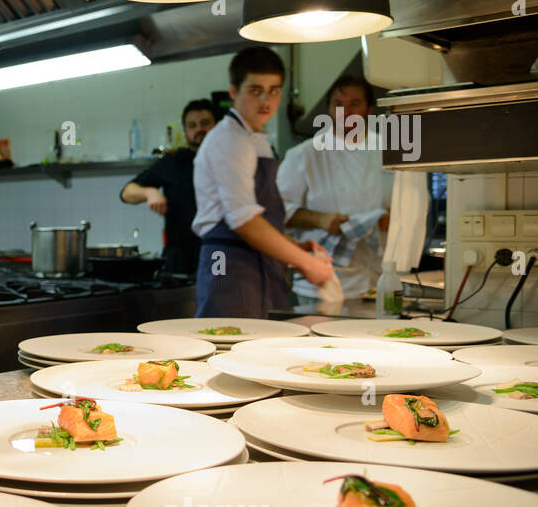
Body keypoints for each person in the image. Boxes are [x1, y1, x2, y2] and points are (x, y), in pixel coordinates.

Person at [191, 47, 333, 317]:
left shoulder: (256, 140)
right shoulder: (230, 140)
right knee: (230, 348)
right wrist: (306, 263)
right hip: (230, 265)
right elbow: (244, 221)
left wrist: (292, 247)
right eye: (256, 91)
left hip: (260, 262)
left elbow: (259, 218)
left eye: (274, 90)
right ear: (234, 92)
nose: (266, 100)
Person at [277, 74, 394, 301]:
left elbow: (415, 205)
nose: (345, 112)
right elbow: (277, 212)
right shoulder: (304, 155)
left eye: (354, 104)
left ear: (369, 109)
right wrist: (321, 220)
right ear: (329, 109)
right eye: (338, 104)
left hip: (380, 279)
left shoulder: (390, 150)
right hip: (320, 283)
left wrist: (395, 220)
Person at [120, 99, 218, 276]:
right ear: (185, 131)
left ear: (216, 125)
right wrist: (149, 192)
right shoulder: (173, 162)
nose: (199, 130)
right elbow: (127, 193)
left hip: (220, 253)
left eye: (205, 123)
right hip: (180, 257)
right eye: (192, 125)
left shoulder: (232, 160)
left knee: (223, 299)